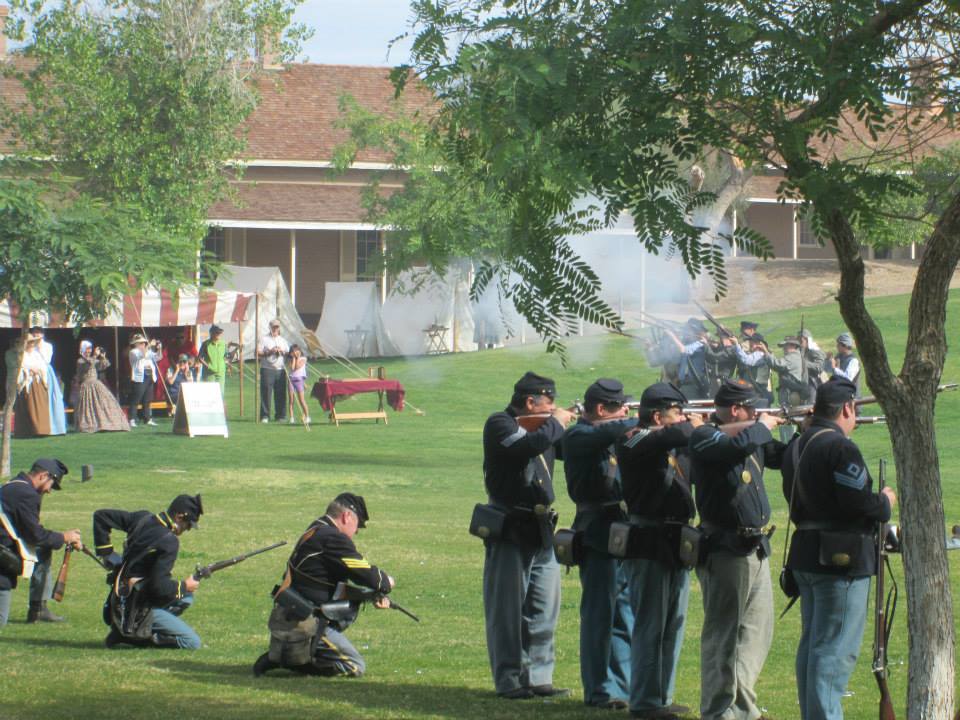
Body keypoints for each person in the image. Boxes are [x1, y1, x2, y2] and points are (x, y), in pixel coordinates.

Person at [781, 377, 895, 720]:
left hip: (806, 555)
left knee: (814, 648)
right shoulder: (840, 447)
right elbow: (859, 504)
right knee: (833, 653)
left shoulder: (798, 445)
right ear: (847, 408)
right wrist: (885, 502)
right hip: (839, 560)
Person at [688, 378, 787, 720]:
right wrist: (762, 426)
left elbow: (781, 457)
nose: (757, 412)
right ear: (736, 410)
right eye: (752, 408)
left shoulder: (749, 436)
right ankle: (716, 711)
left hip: (756, 545)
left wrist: (806, 428)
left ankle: (742, 707)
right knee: (722, 633)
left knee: (757, 631)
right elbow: (734, 448)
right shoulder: (704, 436)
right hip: (725, 547)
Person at [481, 371, 576, 699]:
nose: (553, 410)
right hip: (510, 526)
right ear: (530, 402)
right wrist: (557, 422)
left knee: (543, 609)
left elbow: (569, 446)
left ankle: (538, 677)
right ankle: (509, 679)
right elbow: (528, 446)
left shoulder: (544, 426)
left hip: (541, 529)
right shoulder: (500, 424)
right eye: (548, 405)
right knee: (506, 612)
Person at [616, 383, 702, 719]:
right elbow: (662, 438)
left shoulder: (674, 442)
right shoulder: (632, 438)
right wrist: (688, 426)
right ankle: (644, 701)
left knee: (673, 623)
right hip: (648, 538)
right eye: (676, 412)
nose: (682, 418)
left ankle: (662, 696)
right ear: (656, 415)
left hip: (677, 539)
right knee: (650, 624)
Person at [253, 493, 395, 677]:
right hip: (310, 621)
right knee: (355, 666)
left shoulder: (316, 528)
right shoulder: (333, 538)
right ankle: (296, 661)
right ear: (346, 517)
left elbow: (344, 576)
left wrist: (371, 595)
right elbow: (370, 576)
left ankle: (288, 655)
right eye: (357, 526)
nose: (356, 532)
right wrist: (386, 582)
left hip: (295, 613)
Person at [561, 378, 637, 709]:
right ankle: (599, 689)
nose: (625, 413)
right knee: (599, 616)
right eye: (620, 408)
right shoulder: (579, 434)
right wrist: (646, 419)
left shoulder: (611, 433)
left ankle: (622, 686)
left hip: (622, 530)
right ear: (601, 410)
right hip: (597, 531)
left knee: (625, 614)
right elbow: (611, 433)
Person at [94, 494, 204, 649]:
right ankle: (133, 636)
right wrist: (184, 586)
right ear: (180, 516)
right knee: (192, 643)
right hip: (138, 607)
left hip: (118, 600)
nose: (187, 530)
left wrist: (107, 554)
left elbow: (101, 516)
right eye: (187, 525)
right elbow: (159, 588)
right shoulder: (169, 542)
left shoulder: (142, 518)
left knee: (186, 598)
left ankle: (129, 628)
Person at [0, 458, 81, 627]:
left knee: (43, 550)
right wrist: (64, 537)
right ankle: (38, 608)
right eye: (52, 484)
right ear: (44, 476)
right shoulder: (27, 494)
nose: (50, 491)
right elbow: (35, 536)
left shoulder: (14, 486)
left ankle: (38, 608)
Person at [74, 340, 129, 433]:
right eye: (87, 349)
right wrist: (95, 356)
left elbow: (104, 365)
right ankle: (90, 425)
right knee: (88, 407)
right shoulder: (80, 360)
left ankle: (107, 424)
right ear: (82, 349)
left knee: (105, 403)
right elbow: (88, 365)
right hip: (86, 385)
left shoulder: (93, 359)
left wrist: (103, 357)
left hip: (96, 383)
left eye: (90, 349)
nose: (89, 351)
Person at [259, 319, 289, 423]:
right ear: (270, 327)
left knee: (280, 393)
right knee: (266, 393)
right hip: (267, 369)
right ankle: (265, 416)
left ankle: (280, 416)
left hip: (280, 369)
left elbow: (288, 352)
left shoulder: (283, 340)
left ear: (279, 328)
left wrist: (282, 351)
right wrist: (270, 351)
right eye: (273, 327)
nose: (275, 329)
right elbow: (258, 353)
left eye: (277, 327)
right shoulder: (264, 339)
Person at [127, 334, 161, 427]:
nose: (143, 344)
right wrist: (149, 345)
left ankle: (147, 418)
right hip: (140, 377)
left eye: (143, 343)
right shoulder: (133, 352)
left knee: (147, 399)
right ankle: (132, 419)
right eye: (141, 343)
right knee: (136, 399)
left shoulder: (148, 351)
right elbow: (142, 355)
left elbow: (158, 357)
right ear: (136, 344)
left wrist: (159, 349)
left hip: (149, 376)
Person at [735, 333, 774, 405]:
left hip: (757, 389)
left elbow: (746, 360)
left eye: (752, 342)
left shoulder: (759, 354)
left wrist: (736, 344)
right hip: (757, 389)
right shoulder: (759, 354)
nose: (750, 344)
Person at [198, 324, 227, 393]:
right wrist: (208, 366)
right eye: (217, 332)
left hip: (221, 373)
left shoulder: (223, 343)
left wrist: (226, 363)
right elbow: (200, 357)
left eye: (220, 332)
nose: (219, 334)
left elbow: (225, 356)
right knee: (210, 393)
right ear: (211, 333)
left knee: (220, 393)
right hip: (209, 374)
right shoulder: (205, 344)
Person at [287, 344, 310, 424]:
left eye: (297, 350)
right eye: (293, 351)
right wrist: (293, 358)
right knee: (291, 400)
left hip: (299, 380)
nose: (295, 352)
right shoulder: (290, 360)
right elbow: (292, 368)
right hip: (291, 380)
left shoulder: (303, 359)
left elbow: (297, 367)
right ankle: (292, 418)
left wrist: (297, 358)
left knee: (301, 400)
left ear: (299, 351)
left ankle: (307, 416)